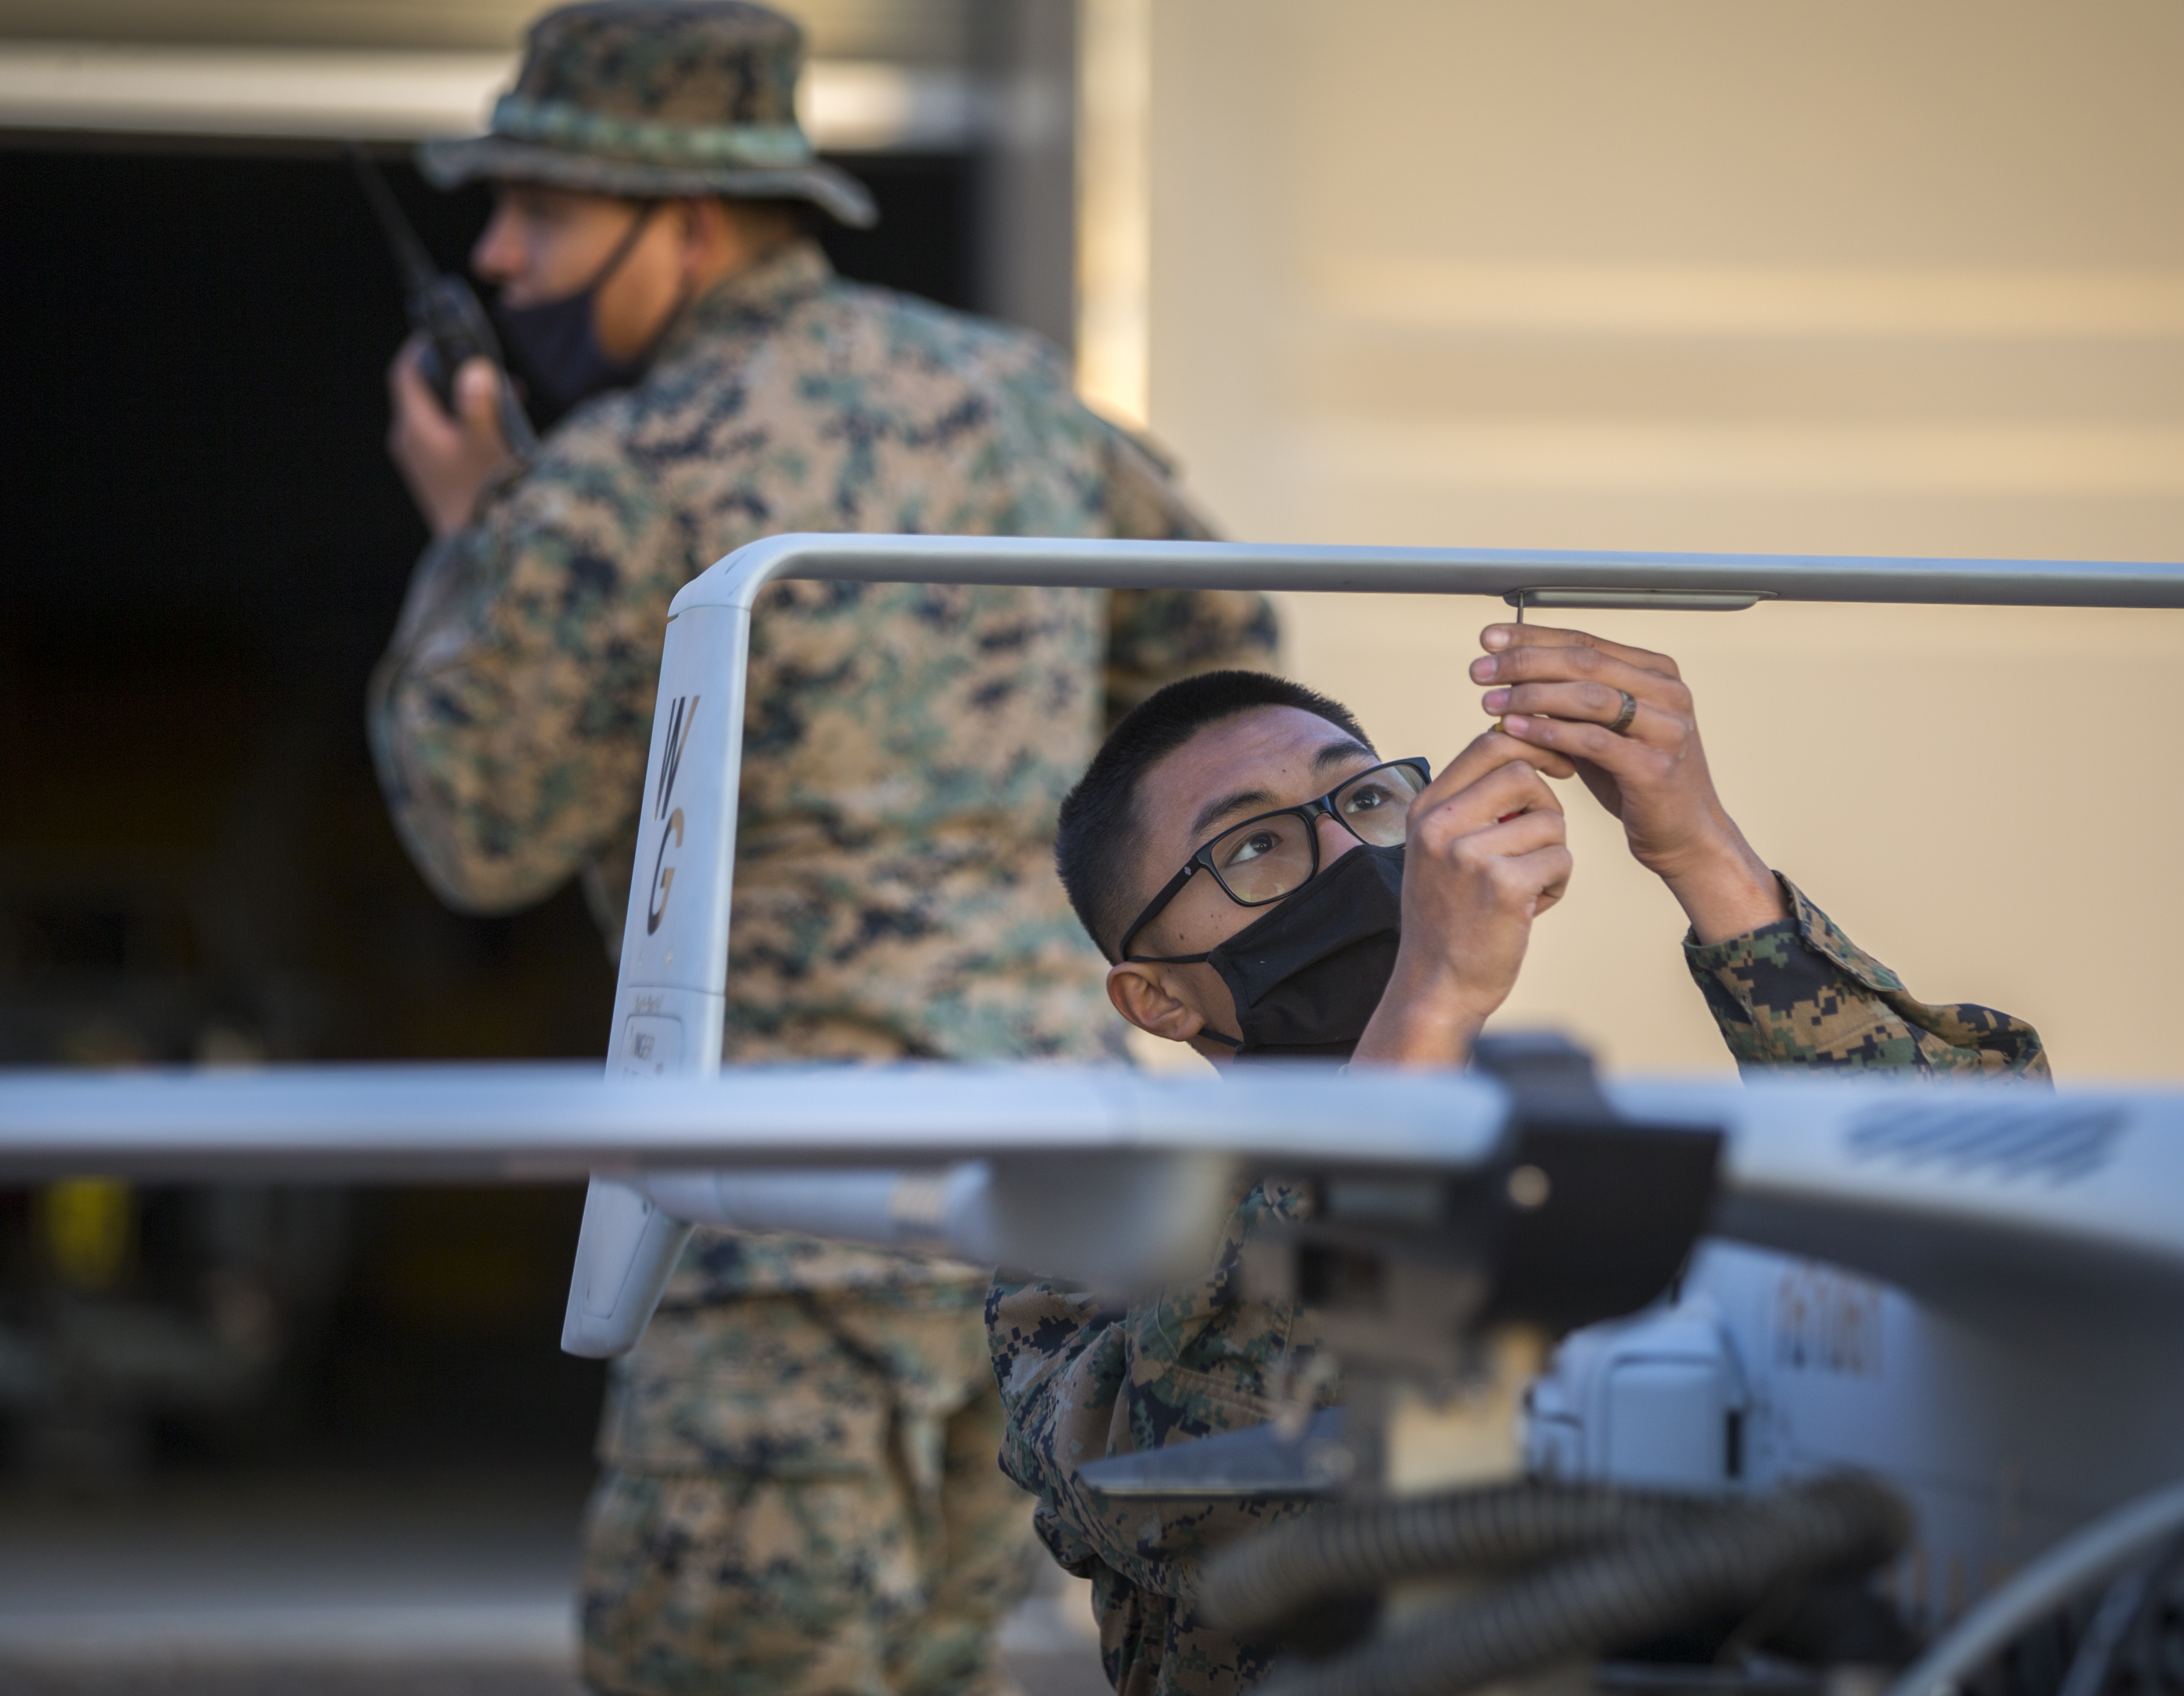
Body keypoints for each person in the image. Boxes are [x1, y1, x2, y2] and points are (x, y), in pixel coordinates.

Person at [364, 5, 1275, 1693]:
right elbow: (1223, 654)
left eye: (540, 213)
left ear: (690, 222)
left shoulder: (622, 475)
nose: (496, 258)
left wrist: (469, 539)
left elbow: (479, 829)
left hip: (785, 1223)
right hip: (1036, 1206)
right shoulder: (1014, 402)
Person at [989, 620, 2047, 1696]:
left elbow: (2005, 1219)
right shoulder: (1096, 1244)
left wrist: (1699, 850)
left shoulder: (1599, 1169)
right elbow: (1184, 1475)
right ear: (1158, 996)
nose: (1355, 856)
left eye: (1366, 800)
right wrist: (1430, 997)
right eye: (1253, 847)